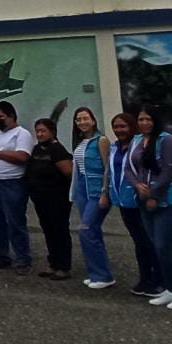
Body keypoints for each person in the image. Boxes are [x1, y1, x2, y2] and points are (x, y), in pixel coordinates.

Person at [127, 106, 172, 310]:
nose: (144, 123)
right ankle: (171, 289)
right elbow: (128, 168)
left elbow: (168, 171)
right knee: (156, 246)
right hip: (143, 198)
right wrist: (137, 184)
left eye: (148, 119)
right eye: (141, 119)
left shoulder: (168, 141)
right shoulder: (137, 140)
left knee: (165, 247)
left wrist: (154, 194)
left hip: (169, 202)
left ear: (156, 120)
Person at [106, 113, 163, 297]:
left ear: (131, 127)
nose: (119, 130)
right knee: (139, 242)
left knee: (148, 241)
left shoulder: (138, 147)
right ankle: (145, 278)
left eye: (123, 126)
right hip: (123, 201)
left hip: (138, 200)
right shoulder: (115, 147)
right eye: (116, 127)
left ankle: (158, 280)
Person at [0, 101, 35, 274]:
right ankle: (2, 256)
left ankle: (23, 259)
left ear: (11, 116)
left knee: (15, 222)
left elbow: (22, 156)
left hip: (11, 183)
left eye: (0, 117)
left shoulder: (21, 134)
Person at [70, 107, 113, 287]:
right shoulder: (80, 143)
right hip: (83, 192)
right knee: (92, 232)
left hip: (97, 192)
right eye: (78, 120)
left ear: (93, 120)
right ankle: (96, 273)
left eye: (85, 118)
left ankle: (103, 275)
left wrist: (105, 192)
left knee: (86, 230)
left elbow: (107, 167)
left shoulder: (101, 140)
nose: (82, 122)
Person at [26, 118, 73, 281]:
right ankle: (53, 263)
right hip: (40, 198)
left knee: (59, 230)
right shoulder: (37, 149)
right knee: (48, 230)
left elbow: (69, 173)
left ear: (52, 132)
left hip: (57, 199)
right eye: (37, 131)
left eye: (43, 131)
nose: (39, 134)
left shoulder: (57, 150)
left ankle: (64, 266)